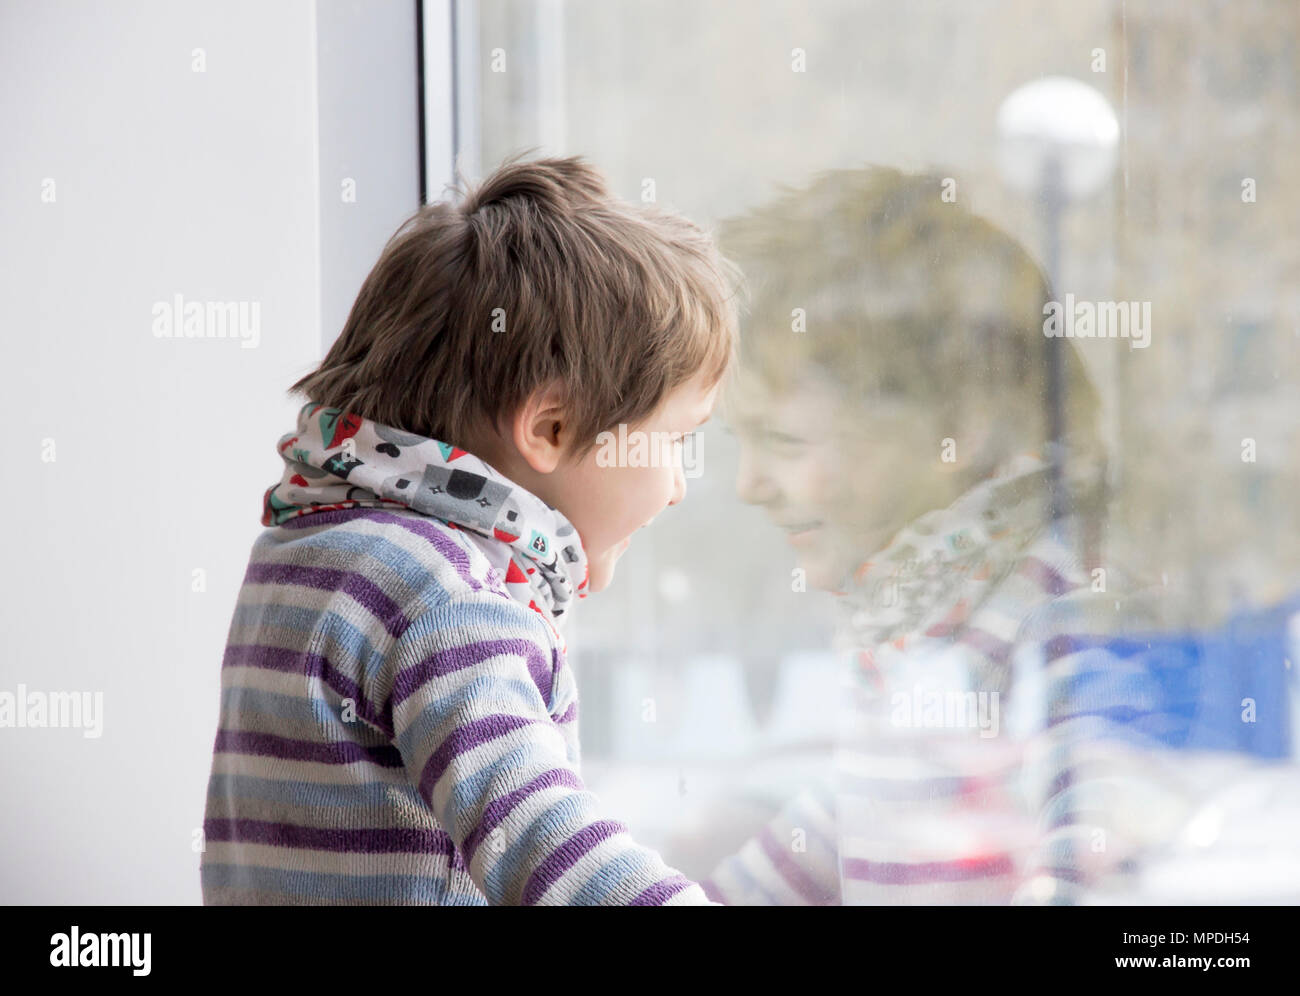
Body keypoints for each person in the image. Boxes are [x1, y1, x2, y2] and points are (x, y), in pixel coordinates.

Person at [200, 154, 740, 905]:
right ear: (550, 428)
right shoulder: (442, 596)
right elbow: (544, 843)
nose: (679, 487)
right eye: (678, 441)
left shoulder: (305, 550)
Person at [698, 165, 1188, 905]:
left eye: (786, 443)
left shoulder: (1054, 609)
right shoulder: (922, 617)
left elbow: (1104, 848)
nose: (750, 485)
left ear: (958, 428)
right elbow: (859, 816)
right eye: (742, 444)